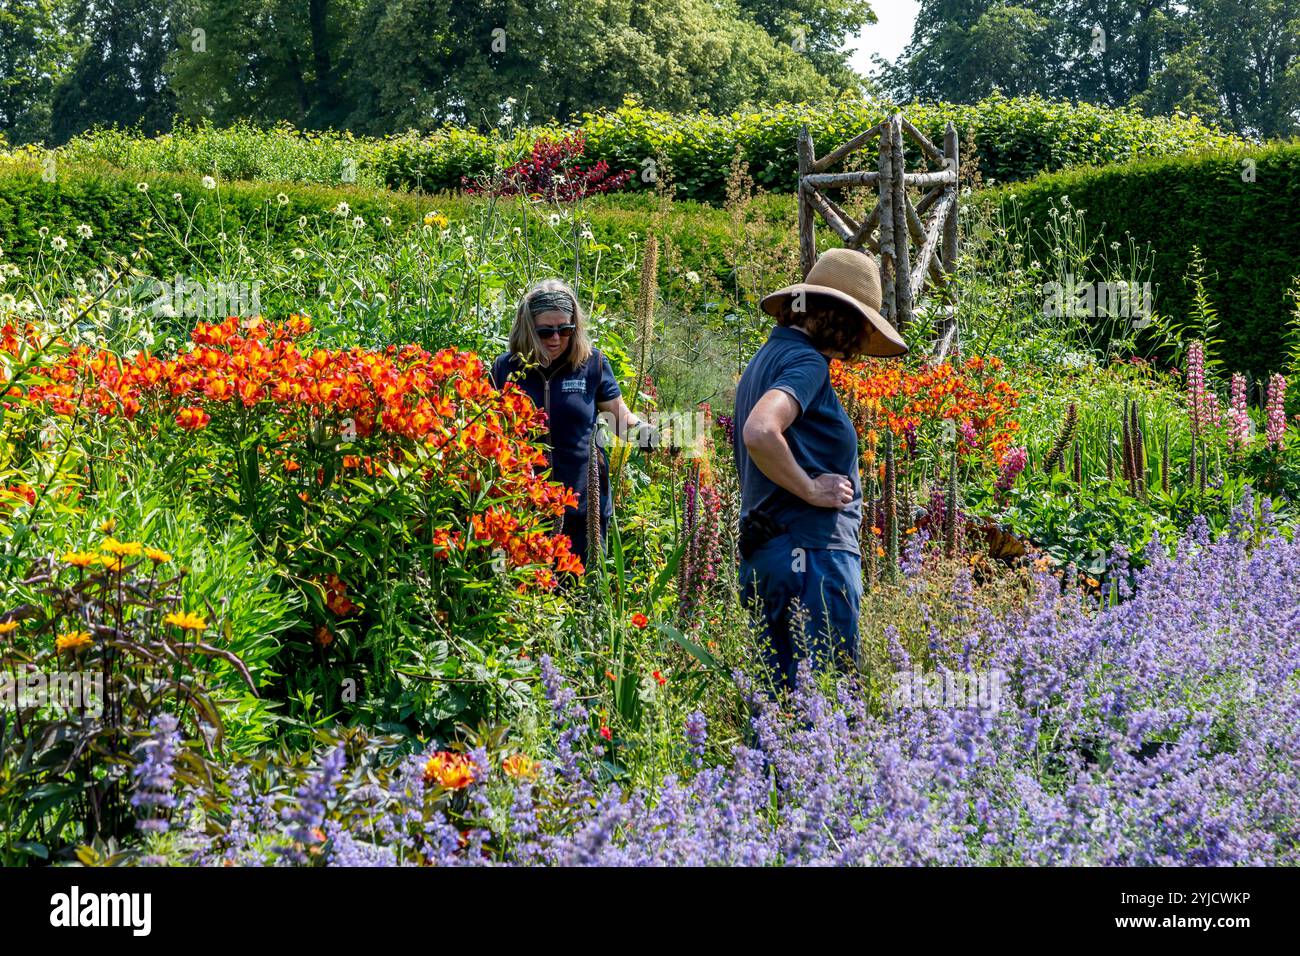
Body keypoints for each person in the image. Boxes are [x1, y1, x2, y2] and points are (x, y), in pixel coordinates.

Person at [733, 248, 908, 691]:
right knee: (827, 706)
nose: (861, 342)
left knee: (776, 711)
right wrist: (811, 489)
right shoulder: (808, 363)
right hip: (812, 559)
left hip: (769, 554)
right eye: (863, 325)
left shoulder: (765, 359)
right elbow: (760, 431)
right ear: (840, 317)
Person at [490, 280, 647, 567]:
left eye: (565, 330)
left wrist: (651, 434)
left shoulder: (593, 364)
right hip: (524, 509)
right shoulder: (505, 369)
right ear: (528, 328)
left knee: (583, 595)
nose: (555, 338)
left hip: (584, 509)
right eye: (546, 331)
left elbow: (620, 419)